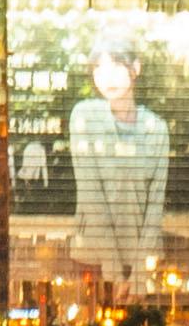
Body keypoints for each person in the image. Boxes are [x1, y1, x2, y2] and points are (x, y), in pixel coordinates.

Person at [67, 33, 170, 291]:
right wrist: (115, 273)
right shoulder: (84, 116)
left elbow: (155, 206)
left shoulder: (156, 128)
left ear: (135, 68)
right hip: (92, 259)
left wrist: (139, 275)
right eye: (98, 68)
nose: (107, 77)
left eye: (115, 66)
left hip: (142, 261)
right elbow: (91, 194)